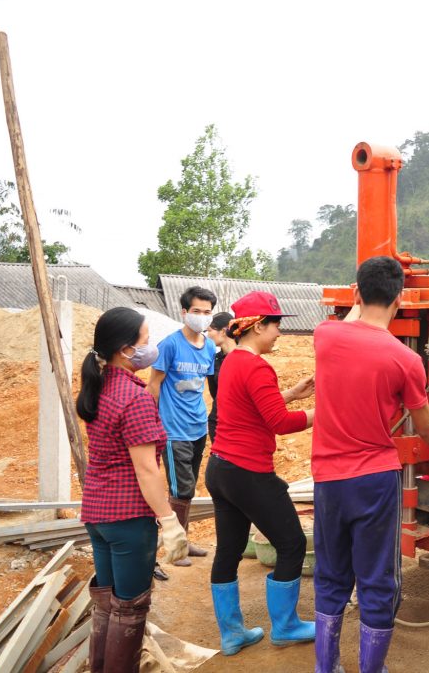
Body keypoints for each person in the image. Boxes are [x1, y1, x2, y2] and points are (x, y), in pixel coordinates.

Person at [311, 256, 429, 673]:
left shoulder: (324, 336)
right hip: (375, 481)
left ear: (357, 293)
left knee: (330, 576)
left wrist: (361, 291)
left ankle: (326, 668)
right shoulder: (405, 360)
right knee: (378, 580)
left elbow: (353, 316)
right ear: (400, 300)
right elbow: (426, 424)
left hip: (327, 480)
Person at [76, 307, 188, 673]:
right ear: (125, 349)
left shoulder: (102, 384)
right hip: (127, 517)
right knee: (131, 607)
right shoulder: (134, 396)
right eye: (144, 341)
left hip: (98, 513)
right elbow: (146, 468)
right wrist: (169, 521)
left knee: (108, 602)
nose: (150, 347)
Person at [206, 291, 317, 655]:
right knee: (292, 544)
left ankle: (232, 634)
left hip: (221, 468)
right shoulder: (256, 366)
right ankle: (285, 626)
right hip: (248, 471)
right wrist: (327, 412)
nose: (279, 333)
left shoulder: (233, 361)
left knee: (229, 550)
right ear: (257, 326)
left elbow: (248, 408)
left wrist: (290, 393)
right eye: (276, 326)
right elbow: (280, 424)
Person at [148, 286, 217, 566]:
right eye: (197, 311)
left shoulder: (210, 346)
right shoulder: (169, 345)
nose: (202, 317)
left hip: (198, 427)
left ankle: (184, 542)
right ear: (185, 312)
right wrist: (153, 423)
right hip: (173, 430)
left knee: (188, 488)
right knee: (181, 490)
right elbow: (154, 385)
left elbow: (203, 386)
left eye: (207, 312)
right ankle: (176, 548)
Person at [206, 311, 235, 444]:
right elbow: (215, 393)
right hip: (217, 421)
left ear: (223, 331)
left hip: (236, 423)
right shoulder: (215, 359)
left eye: (210, 331)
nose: (207, 335)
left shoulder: (243, 358)